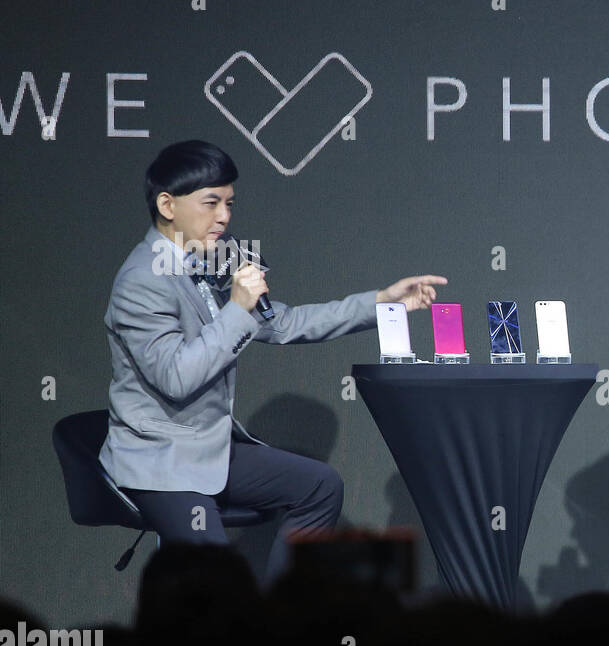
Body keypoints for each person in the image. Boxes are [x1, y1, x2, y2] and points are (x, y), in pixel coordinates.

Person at [100, 140, 446, 581]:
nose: (224, 216)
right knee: (216, 580)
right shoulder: (141, 281)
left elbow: (285, 323)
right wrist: (237, 310)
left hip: (208, 449)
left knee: (319, 487)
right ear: (167, 204)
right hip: (160, 461)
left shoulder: (203, 262)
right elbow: (176, 377)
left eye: (229, 203)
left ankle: (286, 612)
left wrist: (383, 302)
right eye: (211, 203)